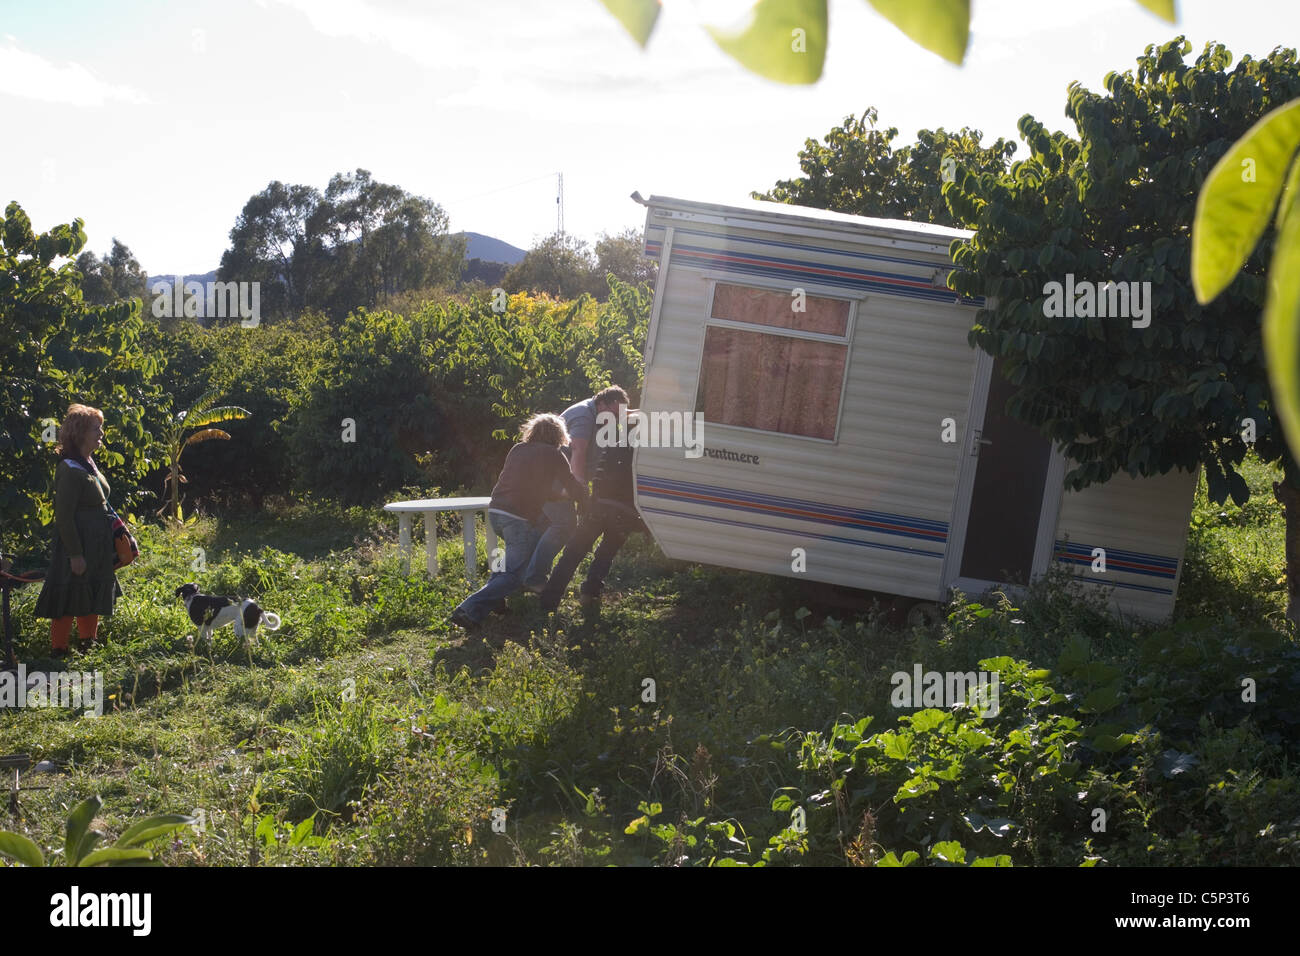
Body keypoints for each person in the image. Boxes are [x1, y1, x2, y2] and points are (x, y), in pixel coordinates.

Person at [450, 413, 587, 632]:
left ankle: (495, 600)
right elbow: (572, 487)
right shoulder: (554, 455)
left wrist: (559, 496)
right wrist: (586, 496)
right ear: (559, 435)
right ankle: (469, 609)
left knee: (520, 549)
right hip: (518, 518)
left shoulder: (517, 449)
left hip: (496, 512)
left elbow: (531, 488)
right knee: (515, 575)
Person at [34, 404, 123, 657]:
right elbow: (63, 516)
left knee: (90, 591)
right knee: (68, 595)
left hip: (96, 545)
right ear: (80, 433)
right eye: (96, 428)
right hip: (77, 545)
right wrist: (75, 554)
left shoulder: (89, 463)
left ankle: (88, 645)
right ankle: (59, 651)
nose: (101, 433)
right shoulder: (69, 469)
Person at [522, 385, 629, 592]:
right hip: (552, 478)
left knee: (545, 527)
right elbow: (578, 452)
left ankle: (520, 574)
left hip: (552, 476)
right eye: (615, 414)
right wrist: (579, 489)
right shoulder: (584, 416)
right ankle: (534, 578)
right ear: (602, 404)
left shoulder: (599, 413)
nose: (617, 420)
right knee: (565, 525)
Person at [539, 433, 647, 613]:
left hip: (599, 507)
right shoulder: (651, 454)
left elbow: (597, 478)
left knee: (572, 554)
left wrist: (590, 503)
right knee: (605, 555)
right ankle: (590, 595)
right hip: (625, 512)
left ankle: (548, 602)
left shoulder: (614, 446)